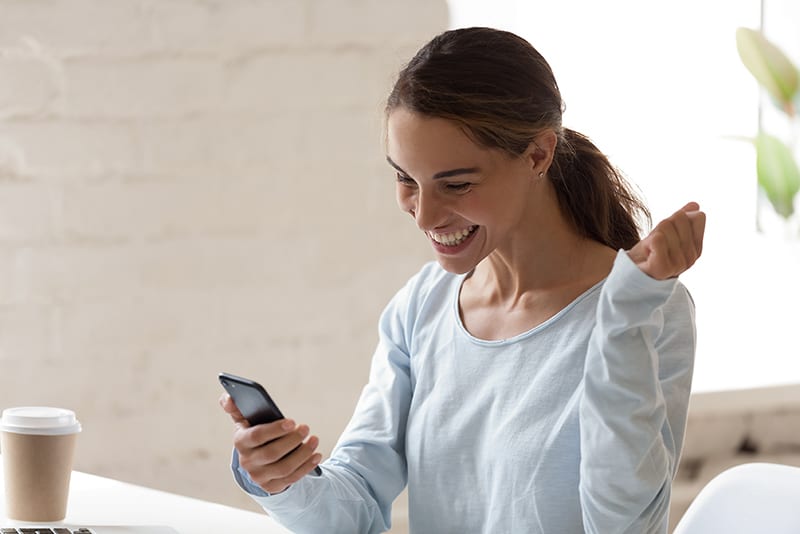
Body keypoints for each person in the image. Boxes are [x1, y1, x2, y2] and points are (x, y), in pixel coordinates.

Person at [220, 26, 706, 534]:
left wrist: (626, 311)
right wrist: (283, 480)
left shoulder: (649, 309)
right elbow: (356, 504)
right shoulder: (423, 306)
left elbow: (622, 523)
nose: (425, 215)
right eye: (406, 178)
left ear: (538, 155)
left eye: (456, 184)